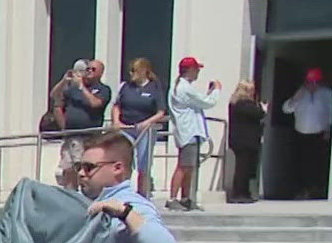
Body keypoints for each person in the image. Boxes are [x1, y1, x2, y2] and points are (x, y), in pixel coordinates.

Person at [166, 57, 221, 211]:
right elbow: (207, 103)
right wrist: (216, 90)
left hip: (190, 132)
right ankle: (172, 198)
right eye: (196, 69)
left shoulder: (182, 87)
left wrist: (208, 93)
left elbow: (198, 102)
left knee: (189, 167)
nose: (197, 72)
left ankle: (185, 198)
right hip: (188, 132)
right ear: (189, 70)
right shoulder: (184, 88)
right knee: (183, 166)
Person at [111, 58, 167, 198]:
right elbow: (117, 105)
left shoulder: (154, 88)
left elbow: (160, 112)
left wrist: (147, 122)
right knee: (122, 160)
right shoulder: (125, 86)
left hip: (144, 130)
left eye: (134, 71)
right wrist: (116, 121)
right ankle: (122, 192)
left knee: (144, 163)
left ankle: (143, 194)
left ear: (143, 71)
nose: (131, 74)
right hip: (126, 127)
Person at [54, 58, 112, 189]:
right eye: (88, 69)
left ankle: (87, 194)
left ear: (101, 73)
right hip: (71, 136)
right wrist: (64, 81)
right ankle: (70, 195)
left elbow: (95, 103)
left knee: (83, 167)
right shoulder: (73, 89)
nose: (89, 71)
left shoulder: (103, 89)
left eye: (93, 69)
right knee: (68, 168)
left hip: (89, 137)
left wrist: (82, 87)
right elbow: (55, 96)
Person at [284, 68, 332, 200]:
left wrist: (328, 130)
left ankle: (315, 189)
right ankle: (301, 190)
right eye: (310, 82)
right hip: (300, 133)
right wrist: (295, 98)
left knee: (316, 164)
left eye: (315, 82)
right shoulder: (300, 94)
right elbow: (286, 109)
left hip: (319, 134)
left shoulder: (327, 94)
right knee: (300, 163)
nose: (312, 85)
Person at [227, 81, 266, 204]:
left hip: (242, 140)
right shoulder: (242, 104)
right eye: (251, 90)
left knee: (245, 167)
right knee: (243, 169)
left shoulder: (236, 103)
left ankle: (244, 192)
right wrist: (263, 108)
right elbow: (257, 114)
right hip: (244, 141)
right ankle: (239, 194)